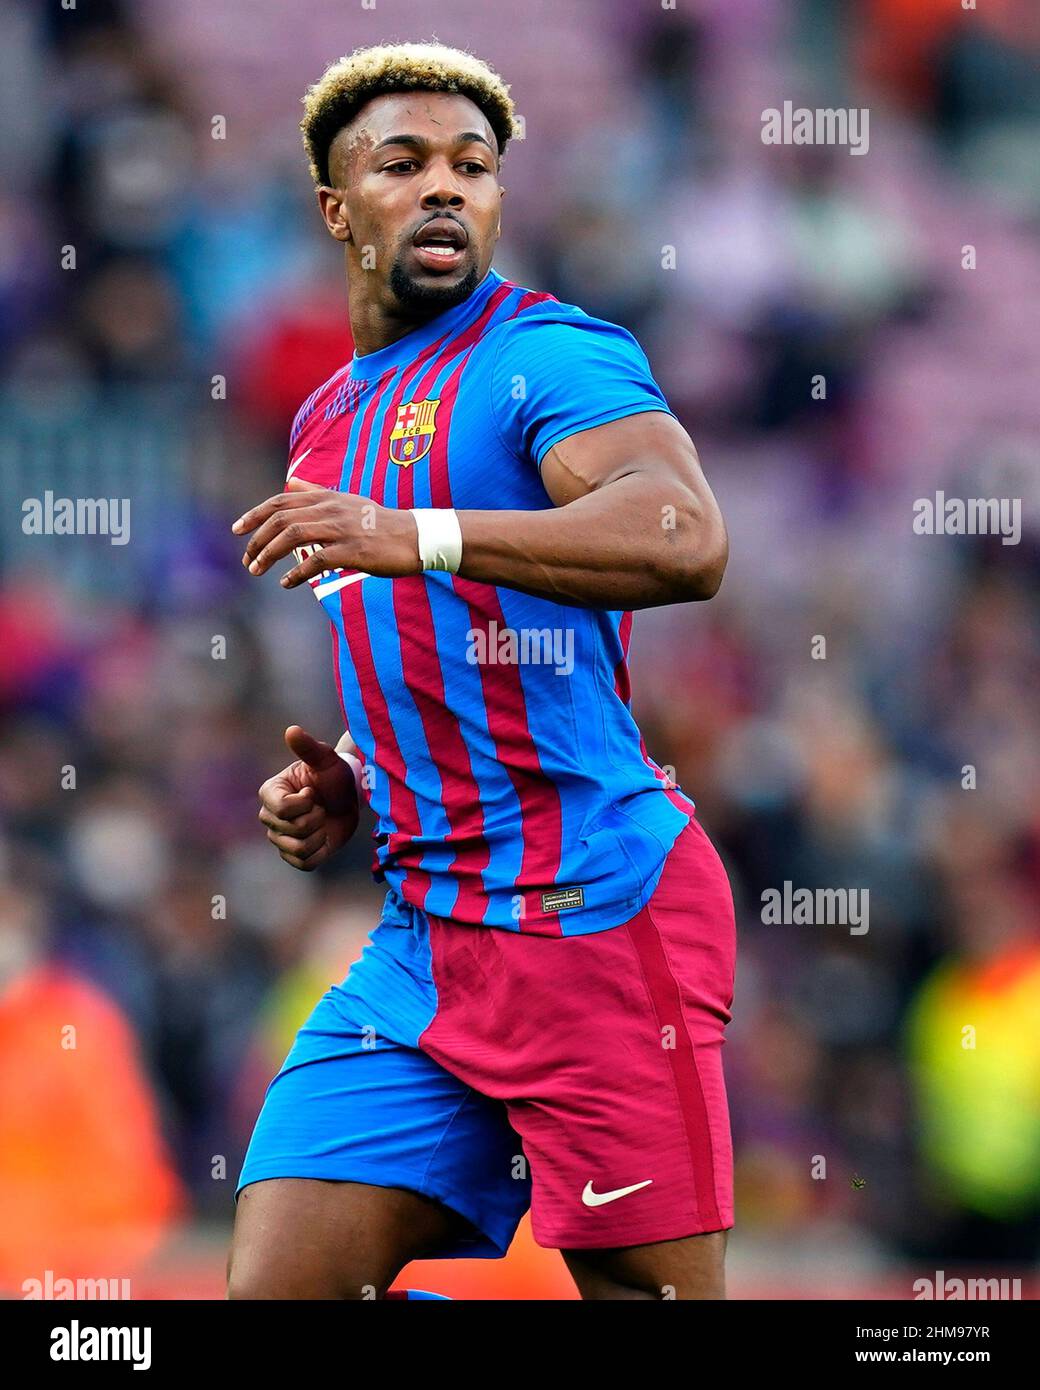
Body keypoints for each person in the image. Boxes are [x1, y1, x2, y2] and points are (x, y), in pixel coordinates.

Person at [227, 41, 735, 1301]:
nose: (445, 188)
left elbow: (686, 538)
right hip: (423, 935)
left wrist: (418, 535)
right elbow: (435, 651)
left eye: (473, 167)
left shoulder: (549, 359)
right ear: (338, 209)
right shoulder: (326, 417)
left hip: (594, 918)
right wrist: (354, 776)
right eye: (403, 165)